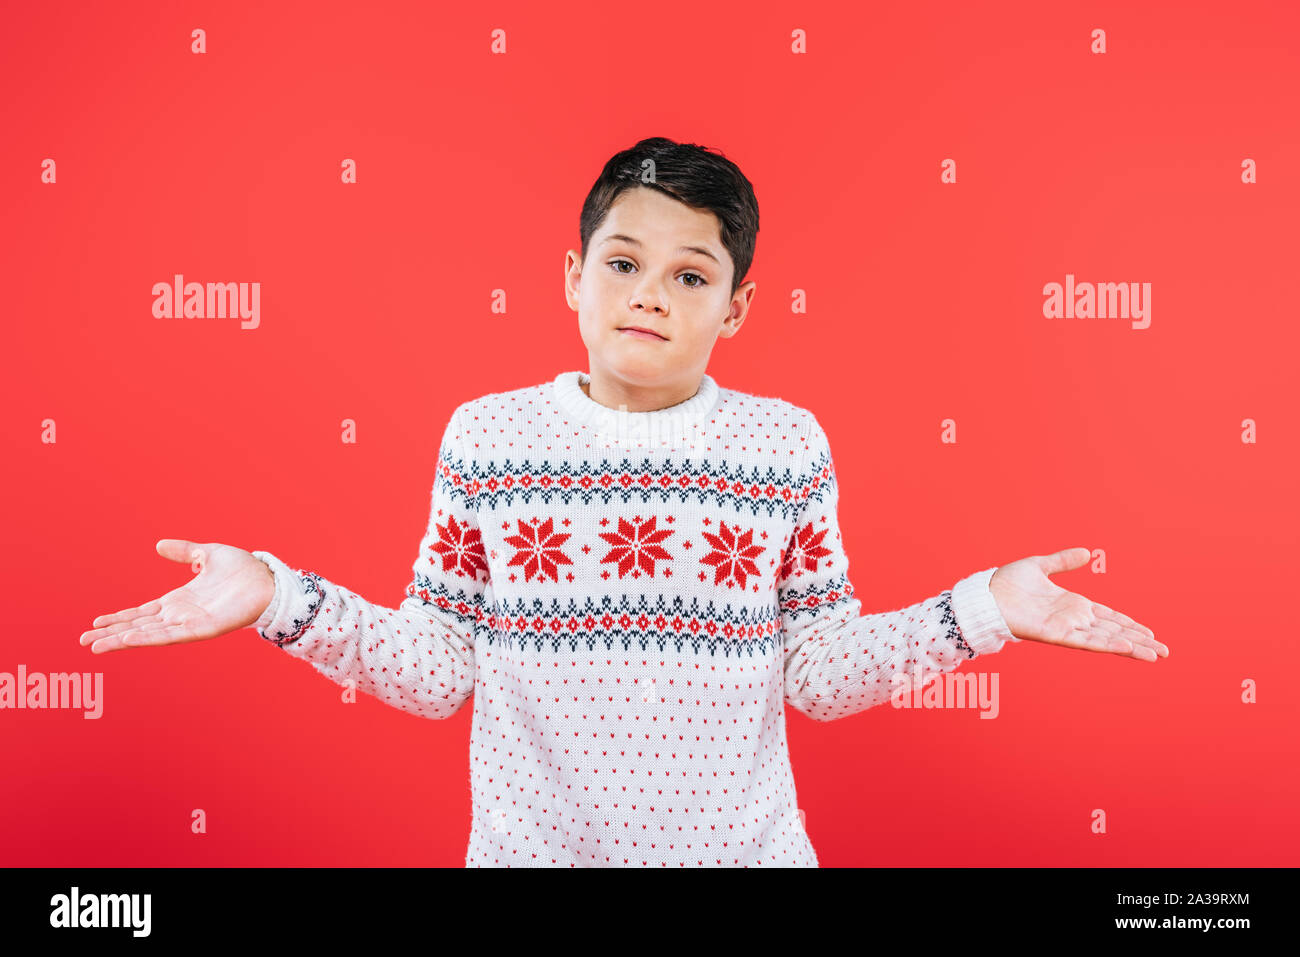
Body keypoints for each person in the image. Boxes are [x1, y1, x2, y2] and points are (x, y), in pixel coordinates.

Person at [79, 136, 1166, 867]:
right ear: (571, 275)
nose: (648, 291)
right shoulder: (489, 437)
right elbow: (432, 670)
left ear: (735, 309)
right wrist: (272, 593)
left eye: (690, 275)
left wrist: (983, 606)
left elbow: (822, 677)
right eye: (623, 261)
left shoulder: (783, 448)